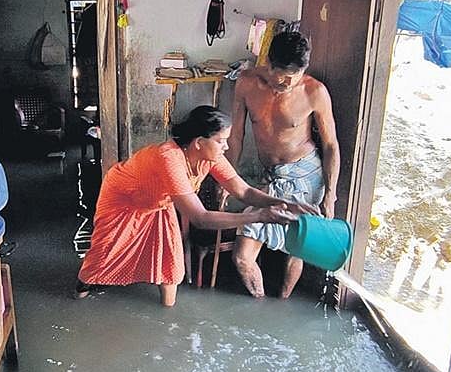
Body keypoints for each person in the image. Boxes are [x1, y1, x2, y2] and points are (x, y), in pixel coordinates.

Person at [75, 106, 316, 307]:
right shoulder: (169, 159)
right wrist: (260, 216)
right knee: (103, 256)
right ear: (199, 142)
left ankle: (167, 318)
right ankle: (81, 292)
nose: (227, 147)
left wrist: (285, 204)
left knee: (169, 262)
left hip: (158, 203)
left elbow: (243, 191)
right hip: (123, 199)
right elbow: (200, 218)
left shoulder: (212, 157)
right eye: (221, 141)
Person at [227, 31, 340, 299]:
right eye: (283, 75)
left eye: (296, 75)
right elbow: (236, 136)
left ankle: (282, 304)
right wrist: (227, 179)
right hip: (271, 177)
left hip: (306, 175)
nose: (288, 82)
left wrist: (331, 195)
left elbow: (331, 146)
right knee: (242, 257)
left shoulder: (315, 92)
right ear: (269, 64)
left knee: (296, 247)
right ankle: (261, 303)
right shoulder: (246, 84)